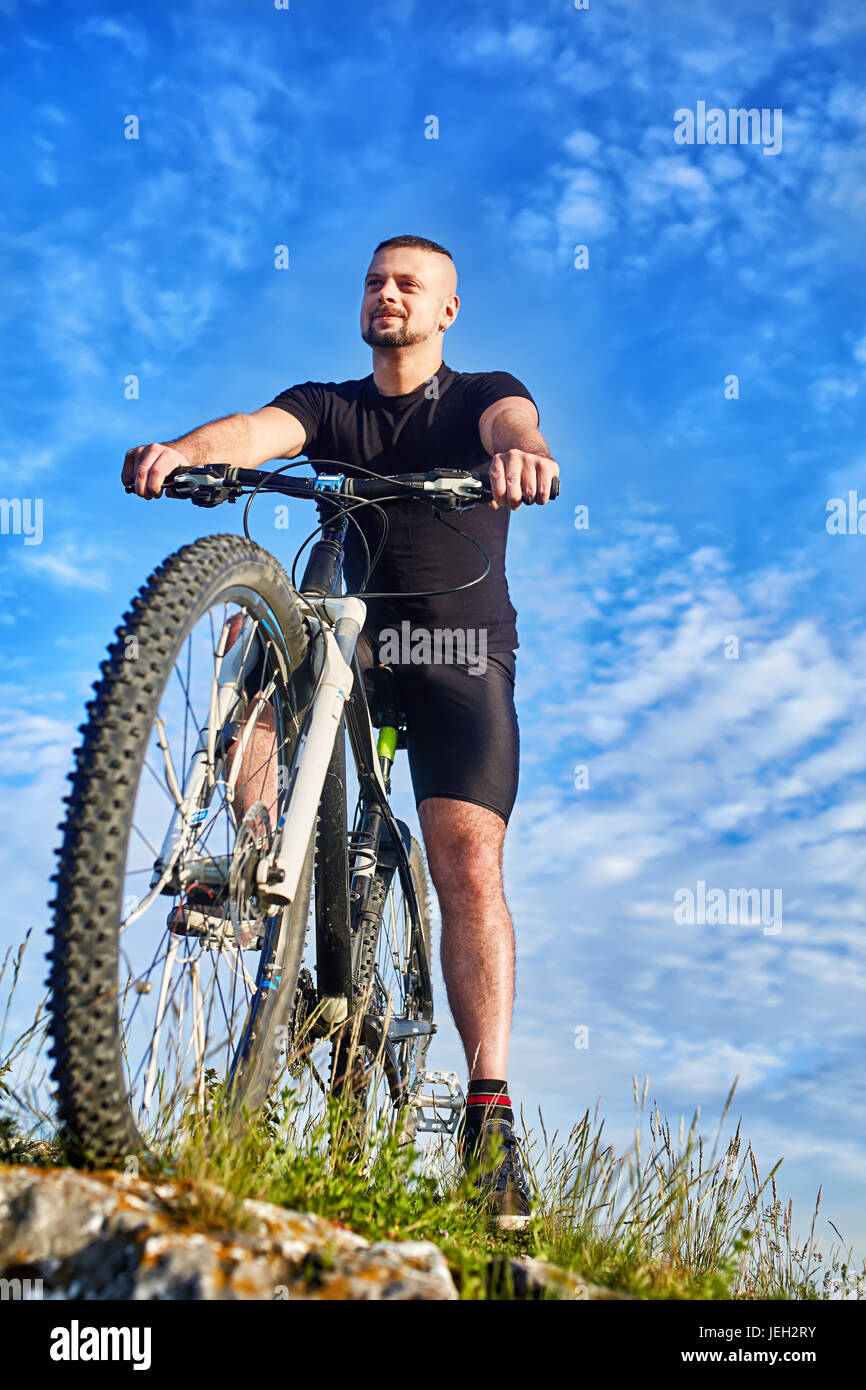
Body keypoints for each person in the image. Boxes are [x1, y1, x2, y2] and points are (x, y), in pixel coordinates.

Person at [122, 234, 559, 1228]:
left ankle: (488, 1108)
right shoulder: (331, 404)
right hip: (352, 637)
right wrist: (188, 451)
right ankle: (252, 858)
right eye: (374, 281)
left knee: (464, 863)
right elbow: (256, 429)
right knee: (256, 649)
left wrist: (519, 456)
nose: (386, 295)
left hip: (456, 652)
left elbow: (512, 421)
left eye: (408, 284)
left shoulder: (479, 393)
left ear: (446, 309)